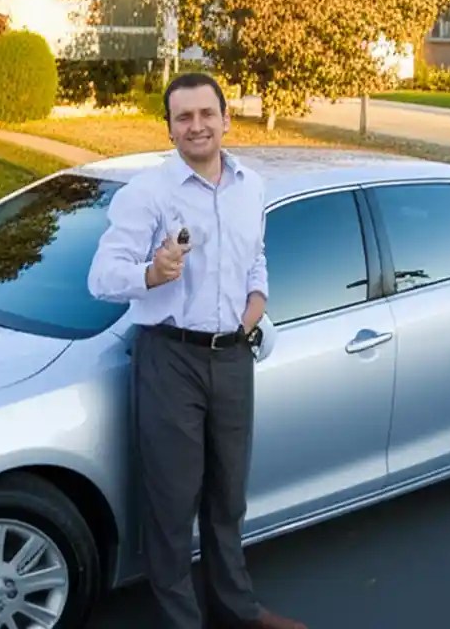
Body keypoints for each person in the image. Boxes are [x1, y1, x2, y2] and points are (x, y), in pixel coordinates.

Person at [87, 73, 307, 629]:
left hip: (233, 357)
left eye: (206, 114)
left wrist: (254, 306)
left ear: (226, 118)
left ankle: (238, 610)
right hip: (170, 359)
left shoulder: (250, 187)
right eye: (183, 117)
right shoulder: (149, 194)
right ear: (169, 128)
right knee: (171, 504)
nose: (196, 126)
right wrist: (152, 272)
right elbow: (101, 277)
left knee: (228, 497)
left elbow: (255, 260)